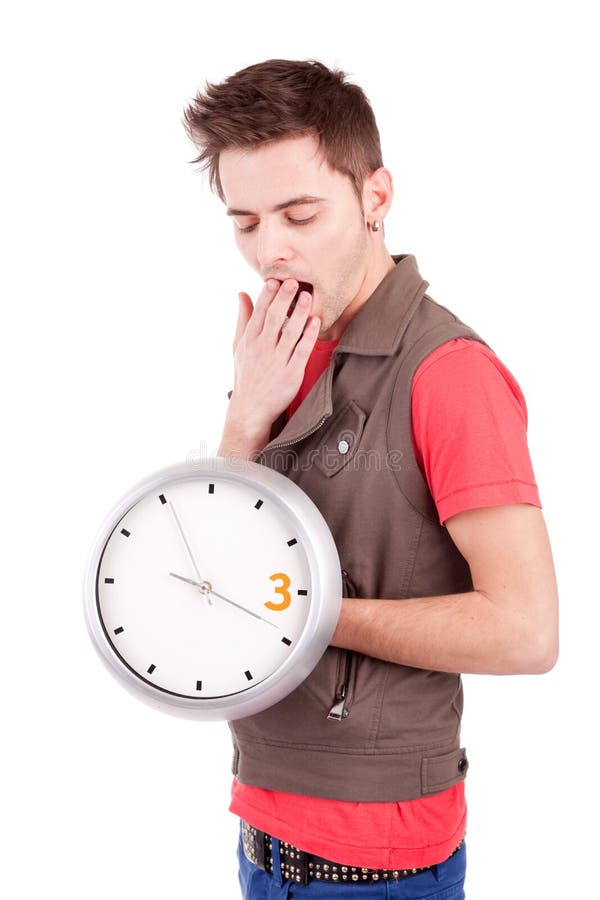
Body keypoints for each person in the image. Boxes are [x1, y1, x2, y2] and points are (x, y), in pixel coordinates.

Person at [182, 58, 559, 899]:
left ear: (376, 196)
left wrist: (298, 615)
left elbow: (527, 632)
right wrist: (244, 421)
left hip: (379, 865)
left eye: (300, 213)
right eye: (244, 222)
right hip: (261, 836)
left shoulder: (450, 373)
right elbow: (204, 583)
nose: (270, 250)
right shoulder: (281, 354)